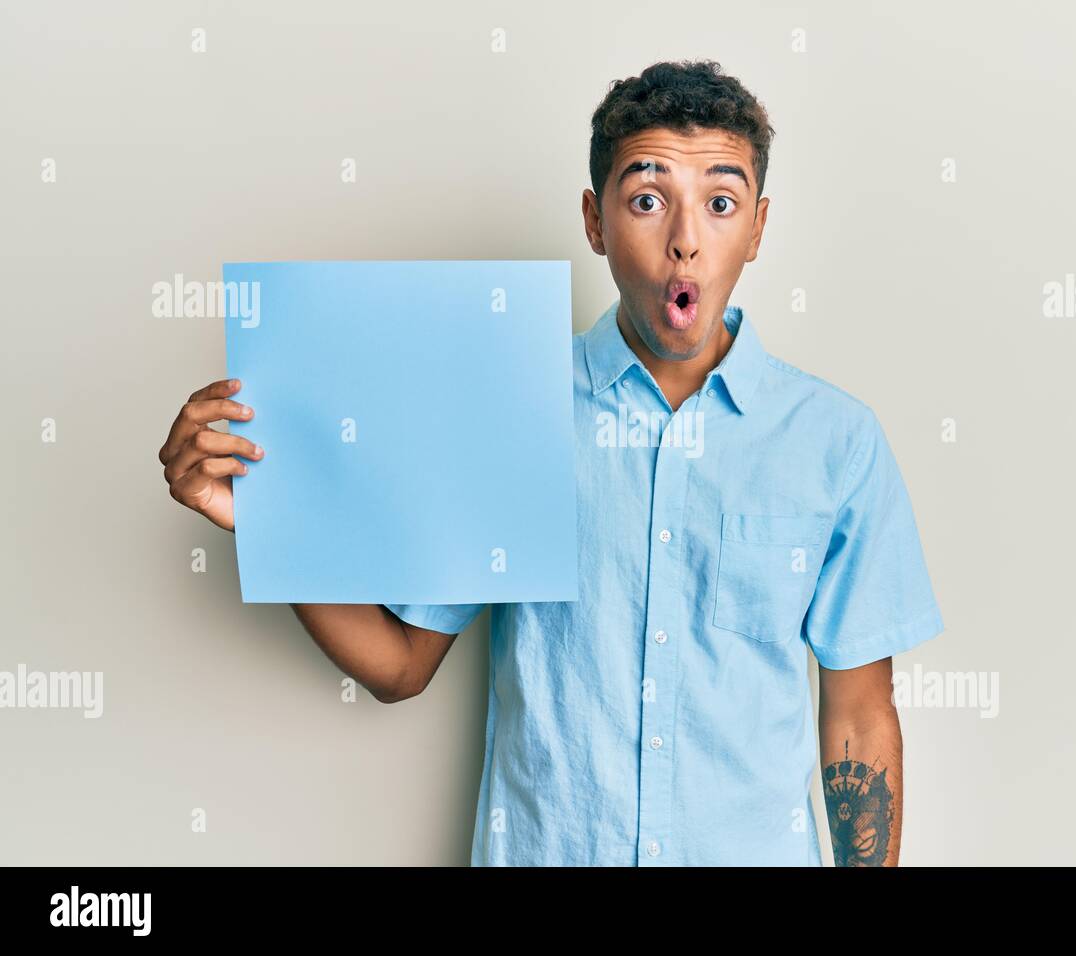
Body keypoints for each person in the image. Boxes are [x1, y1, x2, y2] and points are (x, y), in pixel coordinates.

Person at [158, 60, 944, 866]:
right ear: (594, 221)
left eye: (719, 202)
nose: (684, 239)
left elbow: (858, 709)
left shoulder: (834, 441)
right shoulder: (514, 410)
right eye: (647, 199)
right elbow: (399, 664)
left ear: (759, 226)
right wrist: (266, 518)